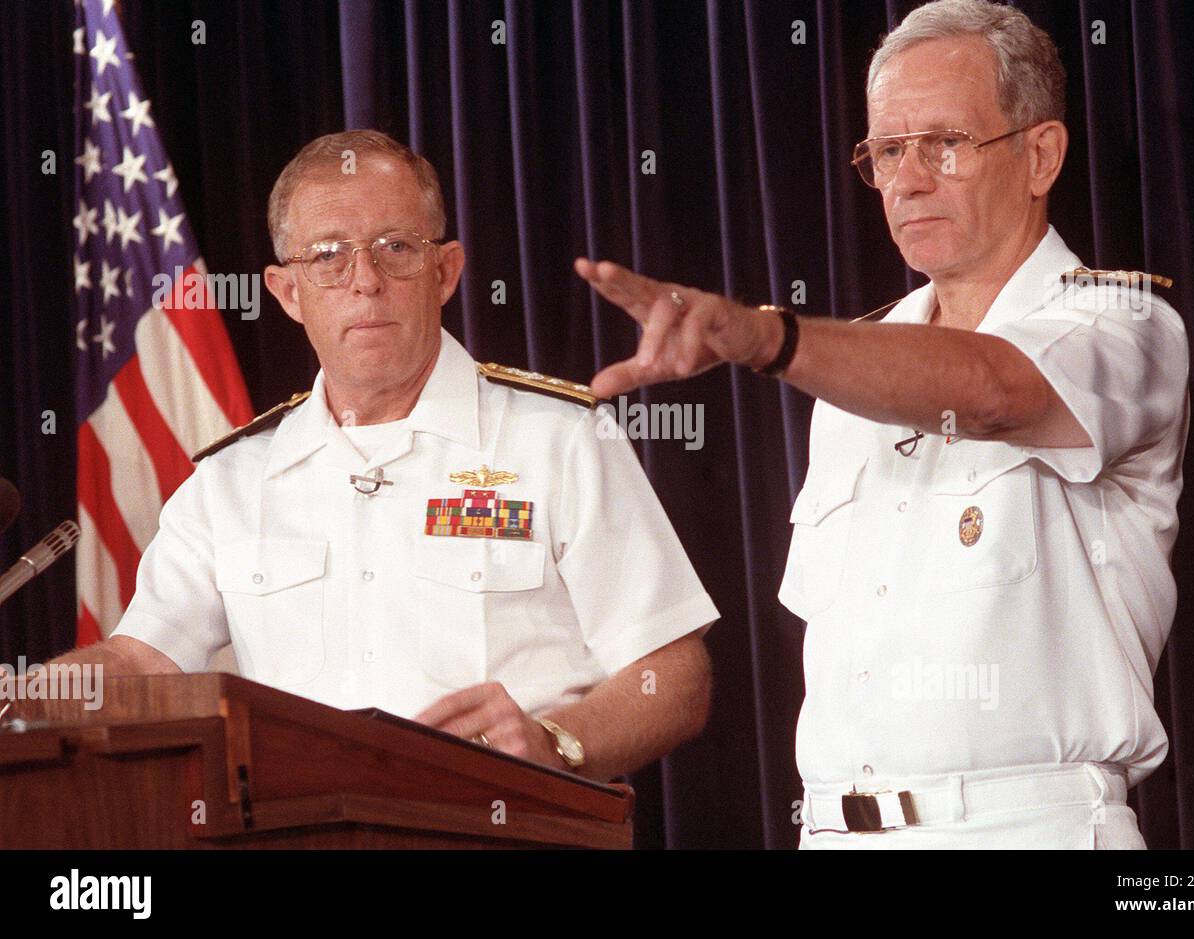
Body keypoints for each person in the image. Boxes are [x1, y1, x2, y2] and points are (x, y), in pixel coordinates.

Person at [575, 0, 1189, 846]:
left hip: (1024, 825)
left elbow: (993, 390)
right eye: (888, 151)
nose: (907, 180)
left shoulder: (1127, 325)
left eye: (945, 143)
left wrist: (767, 337)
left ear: (1040, 155)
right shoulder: (851, 367)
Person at [51, 130, 718, 783]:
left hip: (508, 827)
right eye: (329, 256)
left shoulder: (558, 440)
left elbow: (674, 674)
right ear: (288, 292)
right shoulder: (229, 481)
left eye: (396, 247)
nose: (365, 281)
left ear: (446, 271)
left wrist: (559, 742)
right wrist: (32, 693)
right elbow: (142, 662)